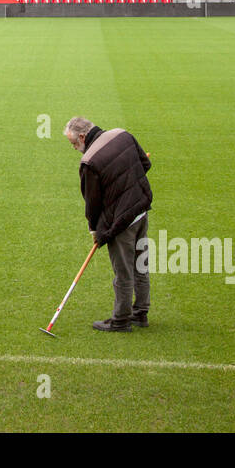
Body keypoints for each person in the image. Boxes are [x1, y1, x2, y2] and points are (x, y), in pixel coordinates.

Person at [64, 117, 152, 333]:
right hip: (141, 210)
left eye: (74, 144)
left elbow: (92, 205)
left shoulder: (89, 162)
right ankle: (140, 313)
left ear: (83, 137)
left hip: (121, 222)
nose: (75, 148)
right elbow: (145, 164)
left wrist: (96, 231)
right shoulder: (123, 134)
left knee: (123, 272)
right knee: (140, 265)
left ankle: (121, 320)